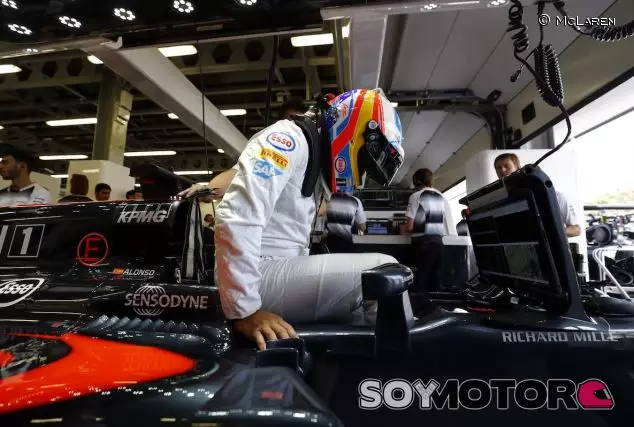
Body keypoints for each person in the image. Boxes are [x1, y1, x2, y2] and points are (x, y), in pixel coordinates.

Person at [180, 88, 409, 350]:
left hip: (277, 268)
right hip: (257, 275)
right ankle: (402, 368)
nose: (363, 171)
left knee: (358, 314)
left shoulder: (314, 154)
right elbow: (238, 217)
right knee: (386, 270)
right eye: (365, 160)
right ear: (353, 131)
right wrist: (244, 311)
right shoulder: (287, 139)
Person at [493, 152, 581, 237]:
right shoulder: (503, 199)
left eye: (506, 166)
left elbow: (576, 230)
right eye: (498, 168)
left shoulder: (557, 197)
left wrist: (551, 232)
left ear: (518, 168)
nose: (502, 170)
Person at [404, 168, 456, 292]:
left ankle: (419, 309)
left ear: (416, 181)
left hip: (423, 243)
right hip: (438, 242)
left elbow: (410, 227)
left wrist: (406, 230)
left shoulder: (416, 196)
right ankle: (434, 308)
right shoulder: (441, 196)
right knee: (434, 279)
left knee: (420, 278)